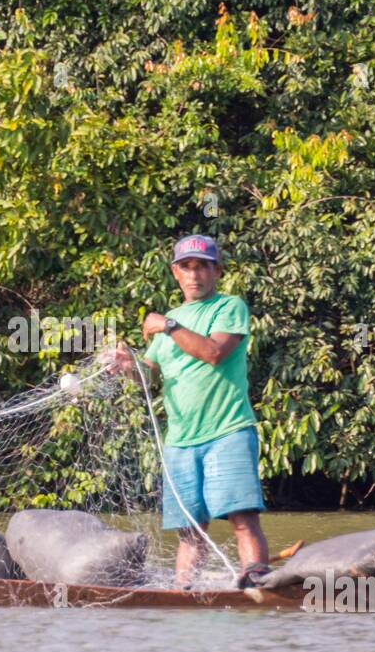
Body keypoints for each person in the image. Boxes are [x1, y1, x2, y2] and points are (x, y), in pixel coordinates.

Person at [110, 234, 270, 588]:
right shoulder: (169, 322)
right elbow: (148, 373)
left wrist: (168, 325)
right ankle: (184, 592)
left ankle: (259, 581)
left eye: (202, 267)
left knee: (242, 517)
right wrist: (127, 365)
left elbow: (213, 352)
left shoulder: (229, 307)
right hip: (180, 441)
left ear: (217, 271)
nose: (194, 275)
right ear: (175, 273)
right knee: (190, 531)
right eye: (186, 267)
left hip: (227, 431)